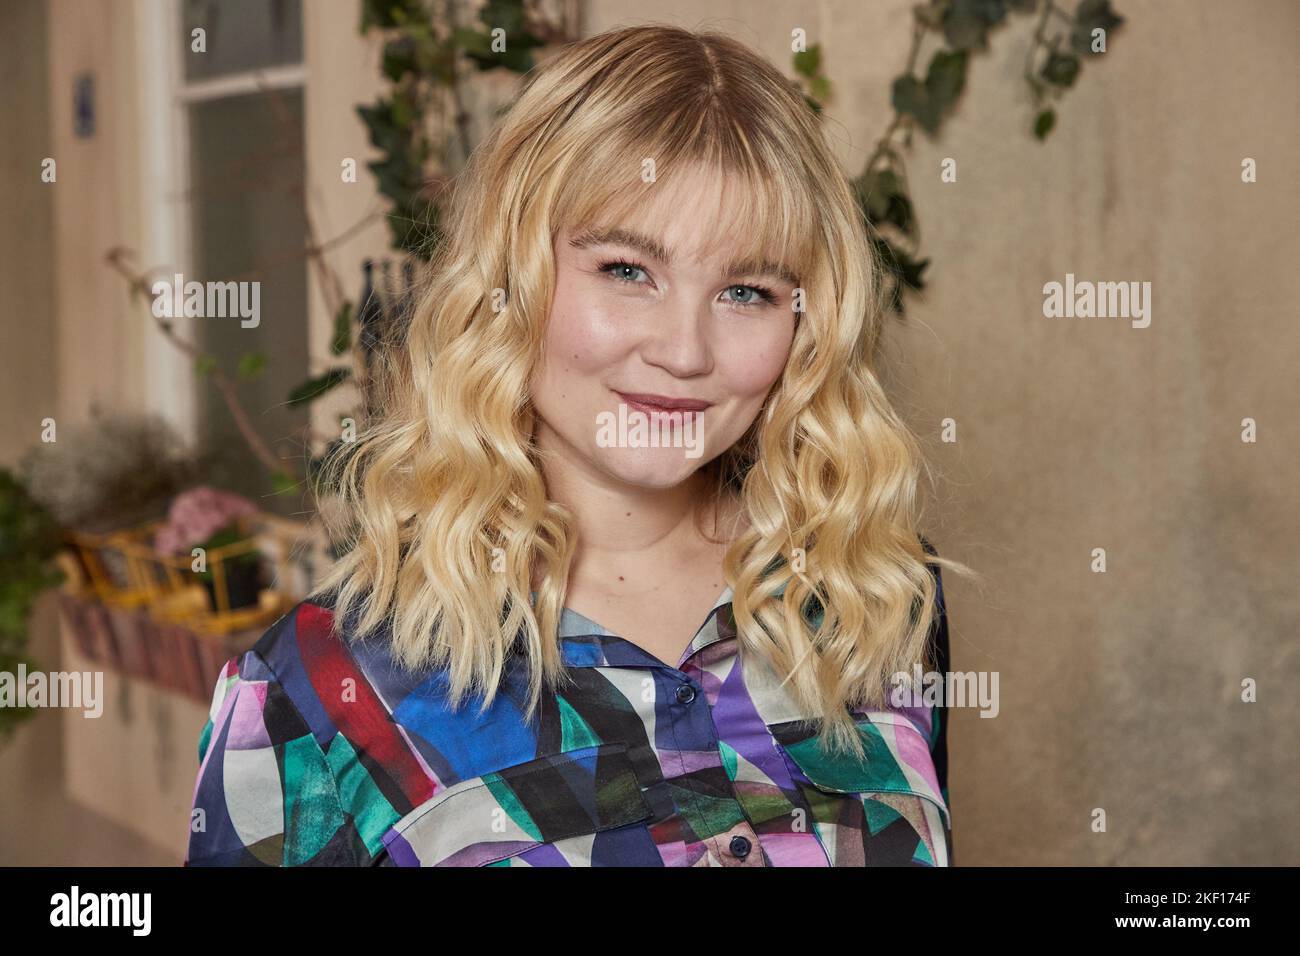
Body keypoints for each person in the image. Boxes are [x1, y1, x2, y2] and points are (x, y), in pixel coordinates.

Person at [185, 23, 965, 867]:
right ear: (513, 275)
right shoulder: (322, 690)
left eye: (747, 290)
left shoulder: (874, 595)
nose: (685, 351)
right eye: (627, 270)